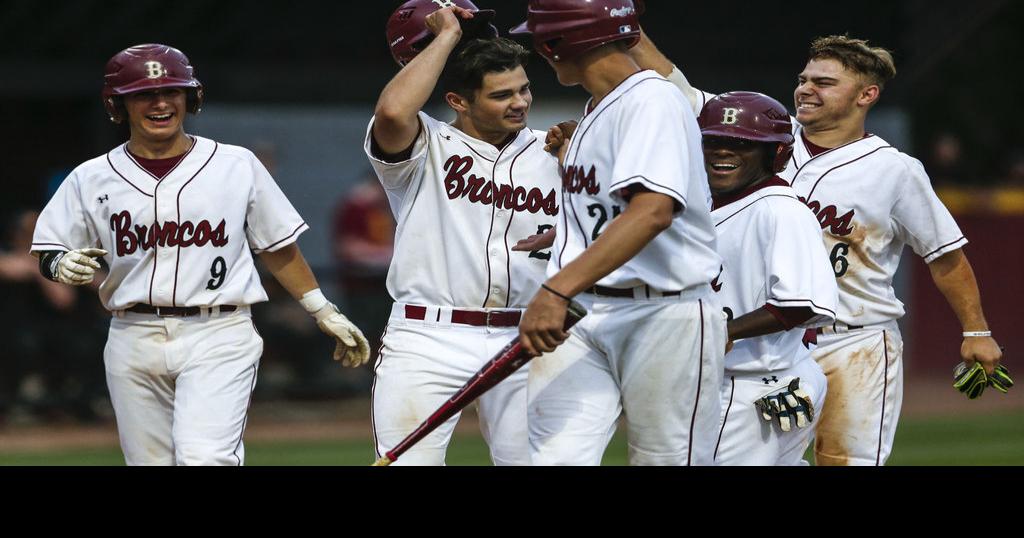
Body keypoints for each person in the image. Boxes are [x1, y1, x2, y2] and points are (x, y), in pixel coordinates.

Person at [630, 20, 1005, 465]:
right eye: (804, 79)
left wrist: (976, 330)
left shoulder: (895, 169)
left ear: (867, 95)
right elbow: (675, 85)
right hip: (763, 345)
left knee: (844, 461)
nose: (806, 89)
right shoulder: (760, 134)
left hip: (851, 340)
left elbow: (944, 256)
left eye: (825, 83)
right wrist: (626, 29)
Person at [30, 43, 369, 466]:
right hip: (132, 334)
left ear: (191, 98)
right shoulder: (90, 176)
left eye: (172, 91)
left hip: (219, 331)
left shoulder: (235, 164)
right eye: (143, 94)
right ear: (118, 105)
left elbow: (277, 245)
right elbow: (47, 247)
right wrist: (59, 263)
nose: (160, 103)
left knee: (204, 458)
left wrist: (322, 310)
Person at [511, 0, 726, 466]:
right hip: (585, 312)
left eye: (539, 41)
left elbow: (652, 213)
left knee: (666, 461)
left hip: (663, 314)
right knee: (553, 458)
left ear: (555, 43)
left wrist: (554, 288)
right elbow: (616, 212)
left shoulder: (652, 99)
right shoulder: (596, 110)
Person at [366, 0, 562, 465]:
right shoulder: (426, 142)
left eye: (524, 90)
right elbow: (393, 112)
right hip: (429, 334)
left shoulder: (554, 148)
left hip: (525, 334)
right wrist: (446, 37)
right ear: (457, 100)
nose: (520, 103)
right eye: (502, 96)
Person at [697, 92, 839, 465]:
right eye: (713, 141)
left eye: (741, 144)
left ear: (775, 154)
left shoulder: (779, 210)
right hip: (752, 383)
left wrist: (723, 331)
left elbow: (799, 305)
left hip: (753, 387)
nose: (722, 152)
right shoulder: (709, 204)